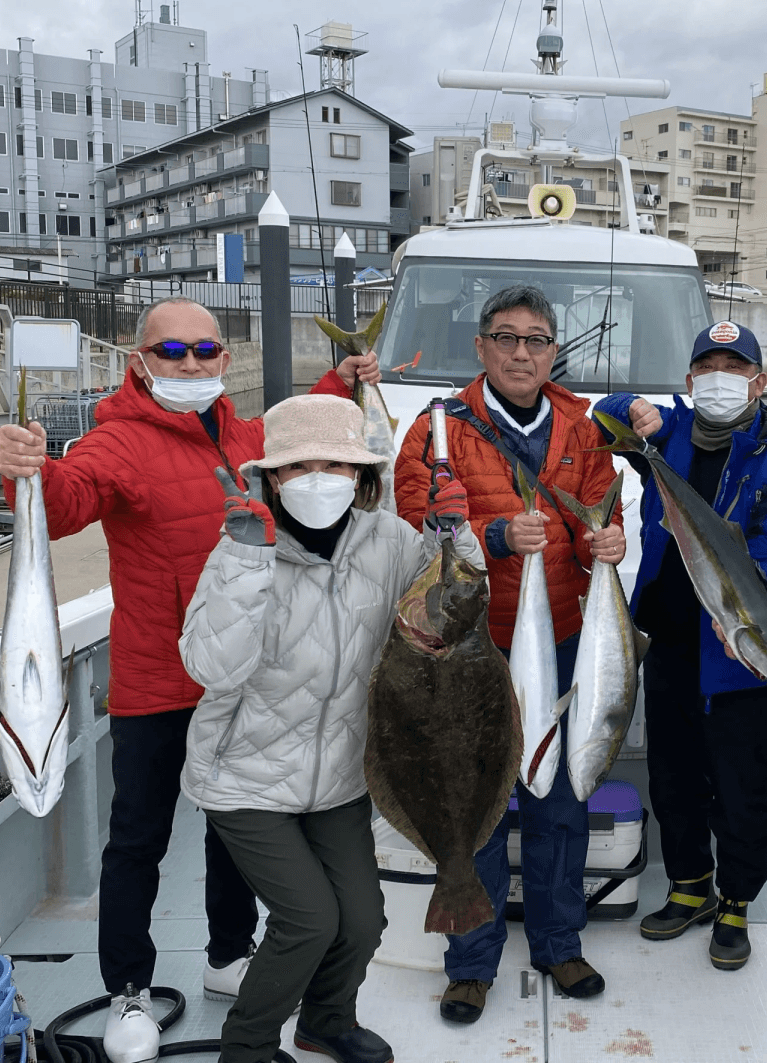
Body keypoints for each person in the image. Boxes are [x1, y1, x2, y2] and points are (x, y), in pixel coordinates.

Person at [0, 298, 377, 1063]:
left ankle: (227, 954)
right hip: (156, 683)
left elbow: (303, 442)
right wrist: (22, 472)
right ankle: (130, 989)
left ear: (224, 359)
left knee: (234, 827)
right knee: (140, 838)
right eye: (172, 352)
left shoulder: (244, 434)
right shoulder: (118, 442)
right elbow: (66, 502)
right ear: (141, 362)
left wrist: (341, 380)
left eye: (205, 349)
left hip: (241, 681)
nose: (191, 364)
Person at [179, 394, 477, 1063]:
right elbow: (210, 666)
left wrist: (456, 538)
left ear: (362, 477)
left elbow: (450, 618)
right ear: (273, 480)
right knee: (308, 920)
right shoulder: (240, 548)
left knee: (363, 919)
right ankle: (247, 1047)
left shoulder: (392, 541)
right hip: (244, 776)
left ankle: (326, 1020)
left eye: (337, 464)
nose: (319, 479)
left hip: (342, 775)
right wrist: (246, 563)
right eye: (299, 467)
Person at [394, 284, 626, 1024]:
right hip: (465, 646)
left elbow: (603, 509)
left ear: (553, 351)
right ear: (482, 348)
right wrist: (495, 539)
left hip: (558, 635)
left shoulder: (586, 430)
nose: (521, 351)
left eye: (536, 339)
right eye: (507, 337)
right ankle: (472, 961)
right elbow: (412, 522)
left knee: (557, 794)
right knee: (475, 804)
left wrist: (605, 542)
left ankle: (559, 941)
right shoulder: (435, 428)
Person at [594, 320, 767, 972]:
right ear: (691, 382)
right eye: (709, 367)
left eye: (735, 366)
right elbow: (602, 418)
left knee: (740, 789)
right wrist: (626, 408)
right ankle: (688, 887)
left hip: (733, 654)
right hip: (666, 647)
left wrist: (743, 606)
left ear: (759, 382)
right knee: (673, 776)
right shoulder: (667, 431)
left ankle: (735, 903)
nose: (722, 378)